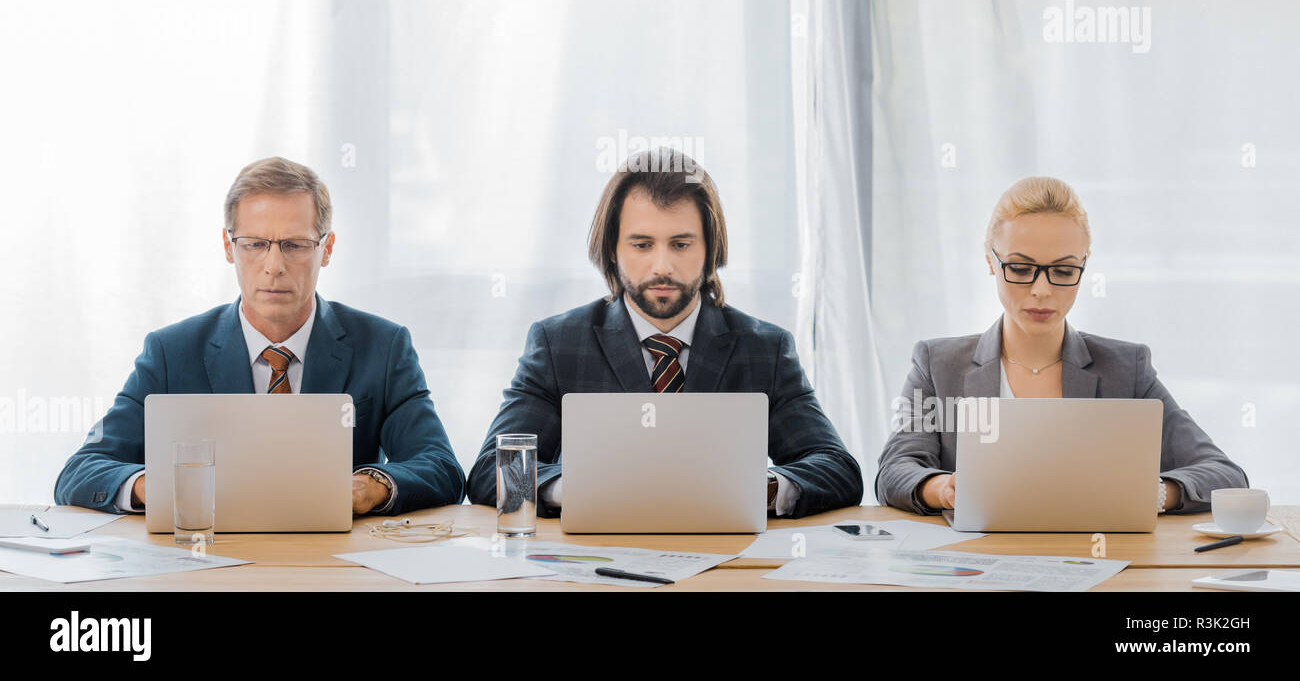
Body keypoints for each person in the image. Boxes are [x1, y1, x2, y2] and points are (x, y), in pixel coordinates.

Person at [55, 156, 464, 515]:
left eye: (295, 245)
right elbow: (81, 471)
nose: (274, 265)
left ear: (327, 248)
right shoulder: (171, 351)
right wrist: (157, 486)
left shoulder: (383, 347)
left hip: (336, 568)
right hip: (208, 565)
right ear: (229, 246)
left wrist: (371, 486)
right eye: (254, 244)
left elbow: (441, 466)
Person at [466, 148, 863, 518]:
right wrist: (583, 490)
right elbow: (490, 472)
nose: (662, 266)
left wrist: (767, 488)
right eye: (642, 245)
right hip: (595, 566)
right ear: (612, 250)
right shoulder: (559, 344)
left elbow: (838, 470)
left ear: (710, 248)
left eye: (680, 244)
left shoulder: (765, 349)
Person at [875, 176, 1248, 515]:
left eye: (1064, 271)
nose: (1042, 290)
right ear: (991, 260)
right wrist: (944, 488)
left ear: (1084, 266)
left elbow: (1224, 474)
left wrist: (1152, 493)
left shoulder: (1126, 368)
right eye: (1020, 269)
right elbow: (895, 470)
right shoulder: (938, 364)